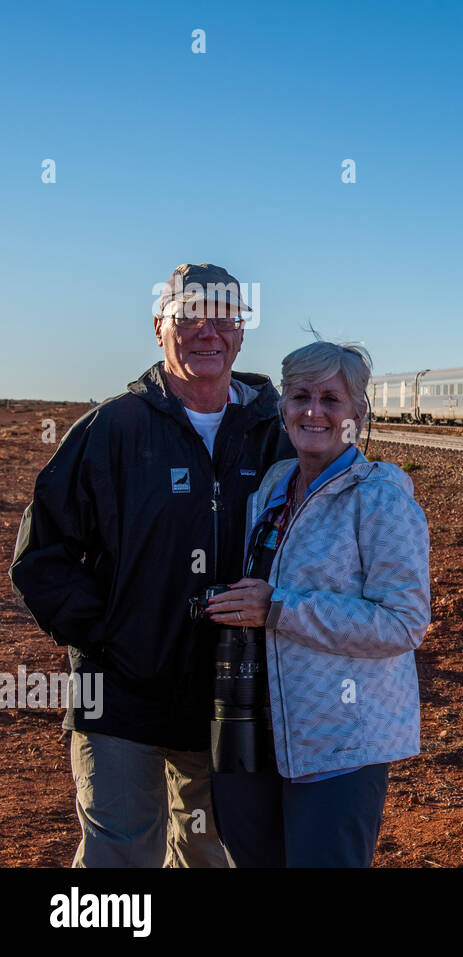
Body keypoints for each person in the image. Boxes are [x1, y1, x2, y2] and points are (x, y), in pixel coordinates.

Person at [9, 262, 291, 867]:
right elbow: (42, 557)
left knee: (211, 849)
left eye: (222, 319)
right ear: (159, 327)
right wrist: (112, 637)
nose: (206, 333)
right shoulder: (112, 427)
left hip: (230, 690)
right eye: (188, 317)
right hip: (119, 691)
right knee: (121, 852)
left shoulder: (275, 433)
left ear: (241, 334)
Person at [205, 339, 430, 867]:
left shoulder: (380, 496)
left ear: (358, 413)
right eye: (300, 395)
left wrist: (281, 608)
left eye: (331, 399)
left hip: (339, 748)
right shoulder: (274, 487)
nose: (313, 410)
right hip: (256, 735)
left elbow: (403, 623)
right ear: (281, 407)